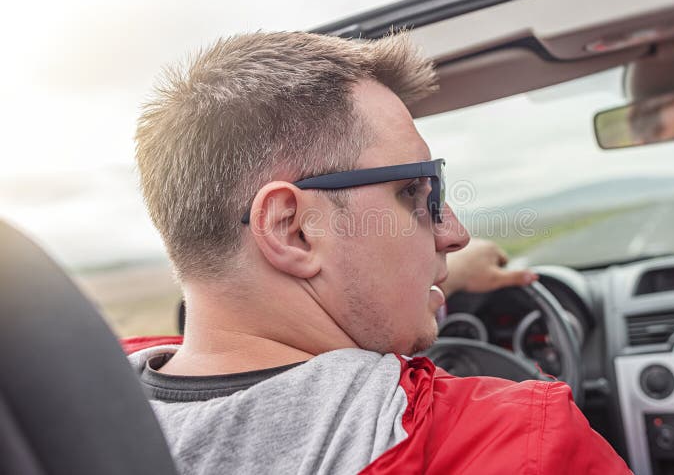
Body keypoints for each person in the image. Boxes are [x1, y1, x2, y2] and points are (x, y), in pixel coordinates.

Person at [129, 31, 631, 474]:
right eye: (414, 191)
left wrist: (440, 282)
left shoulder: (73, 408)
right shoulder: (520, 442)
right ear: (292, 230)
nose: (454, 235)